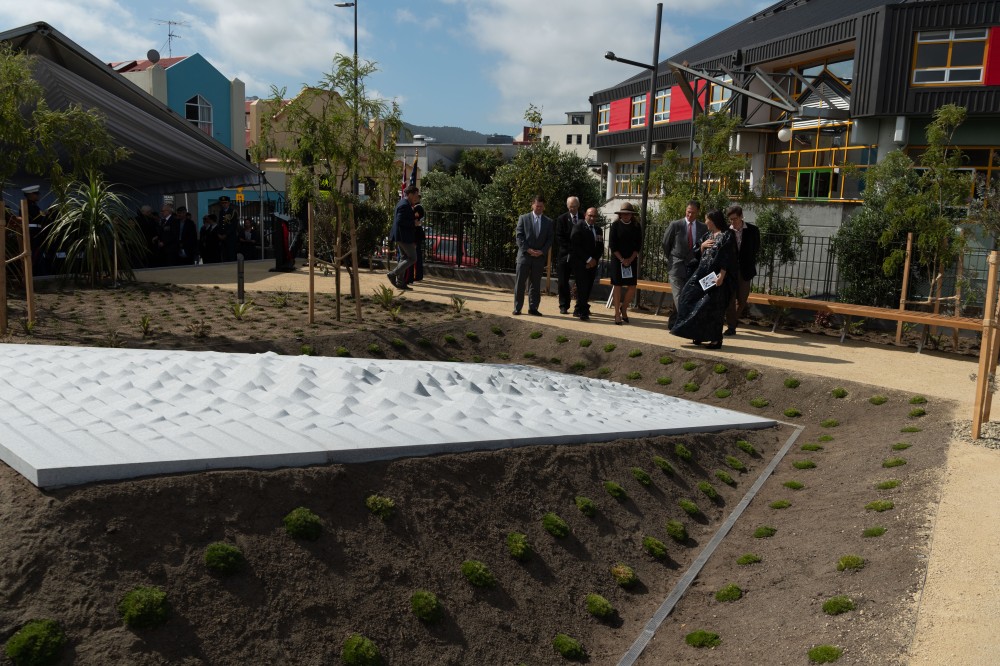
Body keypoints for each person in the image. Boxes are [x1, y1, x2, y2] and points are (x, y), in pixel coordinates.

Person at [670, 209, 737, 349]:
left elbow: (728, 257)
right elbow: (696, 252)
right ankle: (696, 333)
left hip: (716, 278)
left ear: (713, 220)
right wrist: (702, 246)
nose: (705, 222)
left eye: (707, 219)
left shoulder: (727, 235)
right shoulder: (708, 235)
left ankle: (716, 339)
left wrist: (722, 276)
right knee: (688, 298)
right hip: (702, 275)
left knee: (713, 308)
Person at [661, 199, 706, 320]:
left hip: (693, 267)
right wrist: (672, 258)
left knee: (689, 295)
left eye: (693, 213)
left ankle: (676, 322)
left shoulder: (703, 228)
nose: (690, 215)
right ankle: (687, 321)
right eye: (688, 212)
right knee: (679, 296)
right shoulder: (675, 225)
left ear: (698, 213)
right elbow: (666, 244)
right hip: (676, 265)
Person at [513, 194, 553, 316]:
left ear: (544, 207)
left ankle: (533, 308)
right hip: (524, 257)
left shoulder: (549, 222)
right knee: (520, 283)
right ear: (532, 205)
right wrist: (528, 250)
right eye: (537, 206)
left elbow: (550, 239)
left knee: (535, 284)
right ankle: (517, 308)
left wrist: (542, 251)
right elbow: (519, 236)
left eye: (541, 206)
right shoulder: (523, 218)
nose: (539, 208)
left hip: (539, 258)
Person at [724, 204, 760, 336]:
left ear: (741, 217)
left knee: (742, 298)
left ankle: (732, 320)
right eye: (730, 219)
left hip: (745, 270)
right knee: (730, 299)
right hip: (729, 271)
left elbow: (756, 248)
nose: (732, 222)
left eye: (734, 219)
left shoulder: (753, 230)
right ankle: (731, 326)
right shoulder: (726, 231)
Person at [608, 201, 642, 325]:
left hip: (631, 260)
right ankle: (617, 313)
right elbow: (613, 245)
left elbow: (638, 245)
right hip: (618, 260)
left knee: (632, 286)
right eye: (624, 214)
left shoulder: (636, 226)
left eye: (628, 214)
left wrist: (630, 259)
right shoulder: (615, 225)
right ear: (620, 215)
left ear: (632, 215)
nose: (626, 216)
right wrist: (622, 259)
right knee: (617, 286)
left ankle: (624, 308)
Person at [569, 207, 604, 321]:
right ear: (585, 215)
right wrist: (588, 260)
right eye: (590, 215)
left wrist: (594, 260)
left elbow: (600, 247)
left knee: (588, 287)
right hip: (581, 263)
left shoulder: (598, 230)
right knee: (582, 287)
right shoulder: (579, 226)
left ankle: (578, 309)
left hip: (592, 264)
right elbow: (575, 245)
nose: (592, 218)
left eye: (594, 216)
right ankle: (583, 312)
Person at [387, 185, 421, 290]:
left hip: (402, 236)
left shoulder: (404, 203)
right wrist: (414, 223)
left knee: (404, 258)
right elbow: (400, 221)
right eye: (416, 195)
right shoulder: (404, 205)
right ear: (410, 194)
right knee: (412, 258)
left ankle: (400, 282)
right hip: (403, 236)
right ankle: (393, 274)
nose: (417, 197)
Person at [554, 196, 582, 315]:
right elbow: (559, 237)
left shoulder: (584, 217)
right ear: (567, 206)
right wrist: (570, 249)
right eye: (570, 207)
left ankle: (580, 306)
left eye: (574, 206)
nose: (572, 209)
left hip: (580, 256)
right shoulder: (562, 219)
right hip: (565, 255)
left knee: (581, 281)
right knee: (562, 281)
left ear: (578, 206)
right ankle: (563, 305)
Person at [22, 185, 50, 275]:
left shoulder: (34, 205)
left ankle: (38, 271)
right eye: (36, 193)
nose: (38, 195)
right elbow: (37, 217)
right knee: (34, 253)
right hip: (32, 232)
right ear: (30, 195)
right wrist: (45, 214)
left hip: (36, 231)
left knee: (38, 252)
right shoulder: (27, 205)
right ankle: (33, 272)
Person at [400, 195, 425, 286]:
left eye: (416, 198)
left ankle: (415, 275)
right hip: (414, 233)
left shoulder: (418, 207)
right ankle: (411, 276)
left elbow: (415, 217)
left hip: (416, 234)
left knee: (414, 257)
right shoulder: (413, 207)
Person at [218, 195, 240, 261]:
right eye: (222, 203)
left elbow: (233, 225)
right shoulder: (221, 212)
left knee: (231, 255)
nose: (224, 204)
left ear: (228, 203)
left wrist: (226, 234)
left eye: (225, 203)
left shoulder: (233, 211)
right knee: (224, 255)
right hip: (222, 238)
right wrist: (219, 234)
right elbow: (220, 224)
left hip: (230, 237)